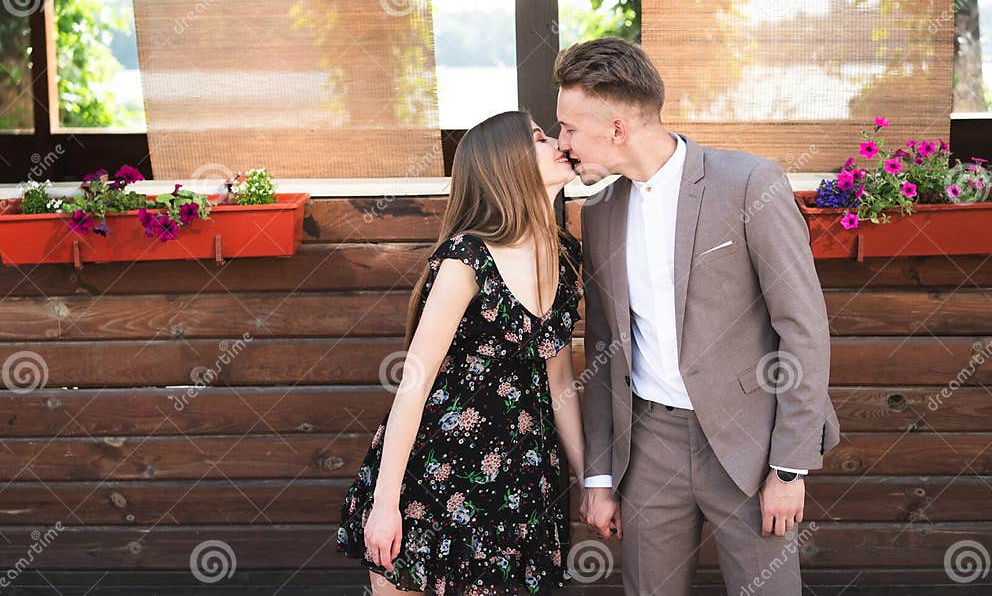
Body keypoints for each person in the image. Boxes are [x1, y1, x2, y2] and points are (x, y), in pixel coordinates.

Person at [555, 37, 841, 595]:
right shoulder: (600, 212)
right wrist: (598, 474)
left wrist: (789, 467)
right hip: (649, 443)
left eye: (569, 127)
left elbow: (802, 328)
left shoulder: (748, 184)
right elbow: (605, 345)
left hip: (751, 443)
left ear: (617, 129)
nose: (562, 143)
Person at [336, 110, 586, 595]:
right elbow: (414, 385)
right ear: (505, 163)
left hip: (521, 486)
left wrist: (590, 480)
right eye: (538, 138)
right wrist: (385, 503)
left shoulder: (564, 255)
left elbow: (561, 386)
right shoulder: (467, 257)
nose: (556, 141)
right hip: (435, 478)